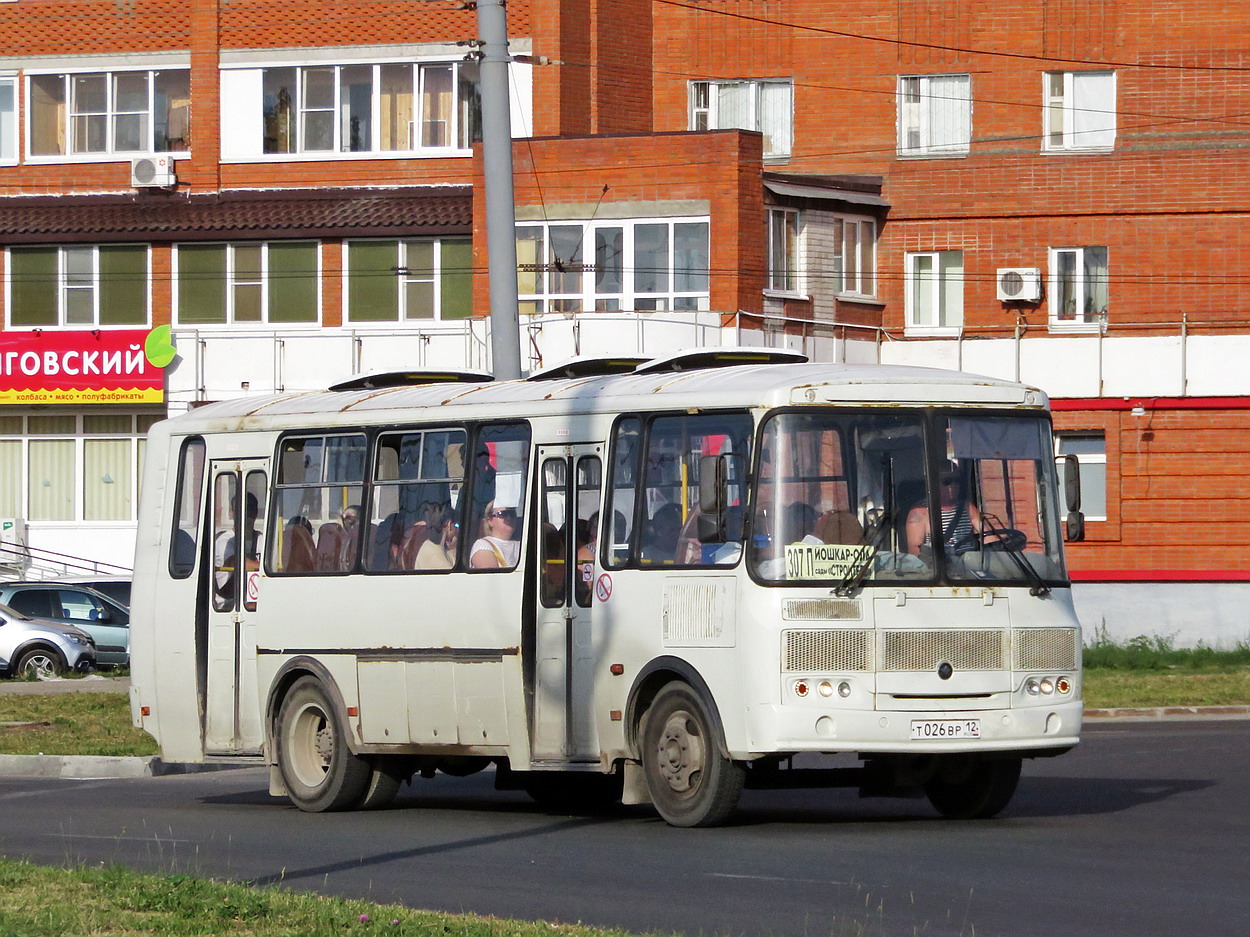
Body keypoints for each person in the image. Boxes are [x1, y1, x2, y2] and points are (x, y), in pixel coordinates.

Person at [905, 461, 984, 555]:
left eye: (957, 481)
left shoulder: (966, 506)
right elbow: (915, 551)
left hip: (970, 564)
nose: (953, 486)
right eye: (947, 481)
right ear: (933, 483)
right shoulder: (920, 511)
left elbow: (987, 535)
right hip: (942, 566)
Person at [470, 501, 520, 568]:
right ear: (490, 521)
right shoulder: (482, 545)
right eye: (503, 514)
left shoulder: (522, 544)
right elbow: (490, 576)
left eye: (512, 514)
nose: (509, 518)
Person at [414, 504, 459, 570]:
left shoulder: (434, 548)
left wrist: (452, 549)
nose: (457, 530)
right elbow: (454, 577)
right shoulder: (433, 554)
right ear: (449, 525)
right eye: (456, 525)